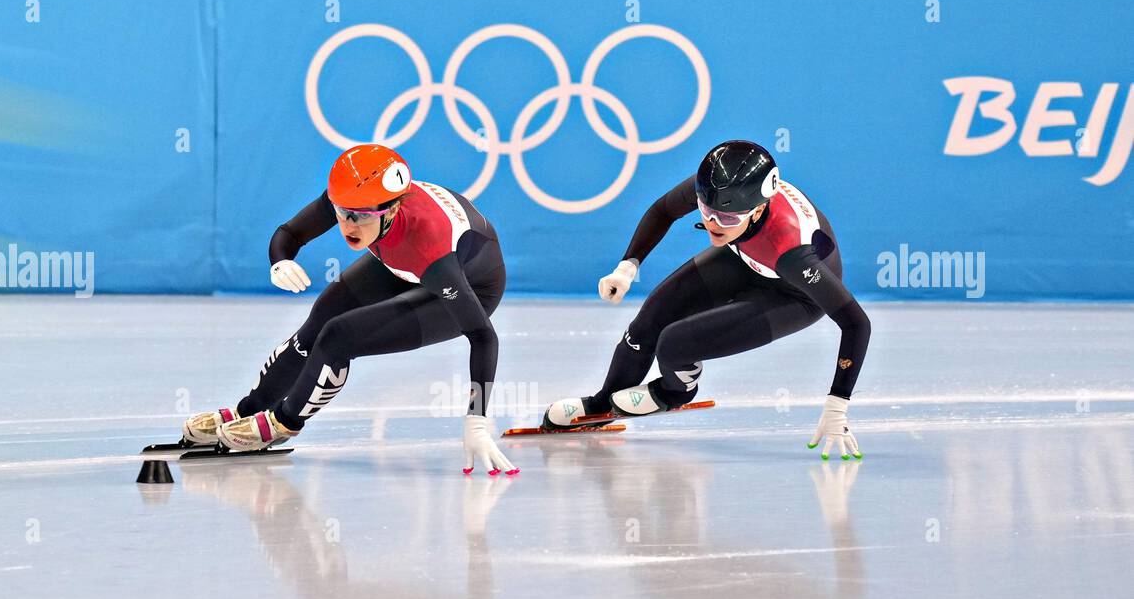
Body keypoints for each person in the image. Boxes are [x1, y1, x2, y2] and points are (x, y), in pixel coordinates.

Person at [181, 144, 517, 475]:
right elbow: (290, 233)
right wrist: (280, 261)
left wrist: (477, 418)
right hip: (403, 262)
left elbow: (483, 337)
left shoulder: (432, 248)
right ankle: (248, 409)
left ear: (392, 209)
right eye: (341, 212)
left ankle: (284, 422)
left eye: (359, 216)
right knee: (320, 317)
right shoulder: (354, 197)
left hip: (467, 283)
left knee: (340, 336)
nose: (347, 225)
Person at [544, 140, 870, 461]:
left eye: (727, 218)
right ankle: (603, 403)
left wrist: (837, 403)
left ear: (758, 209)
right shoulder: (718, 186)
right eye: (707, 212)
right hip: (745, 257)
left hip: (793, 293)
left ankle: (674, 392)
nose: (713, 224)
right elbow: (663, 210)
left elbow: (856, 323)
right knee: (650, 319)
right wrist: (628, 266)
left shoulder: (793, 252)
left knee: (675, 343)